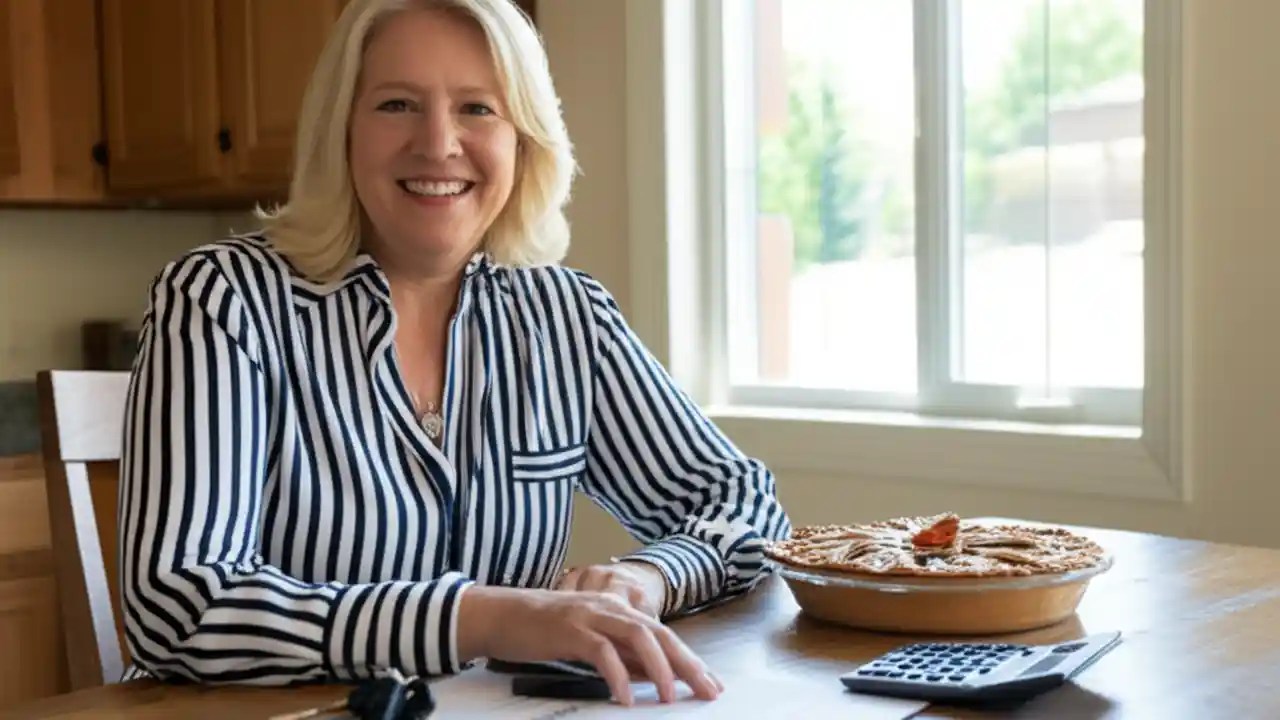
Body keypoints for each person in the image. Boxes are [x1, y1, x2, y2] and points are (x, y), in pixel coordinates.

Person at [118, 0, 790, 706]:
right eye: (396, 104)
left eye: (477, 108)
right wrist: (487, 616)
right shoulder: (223, 299)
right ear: (340, 130)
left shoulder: (565, 315)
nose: (438, 144)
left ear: (524, 138)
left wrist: (648, 577)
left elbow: (742, 504)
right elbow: (180, 607)